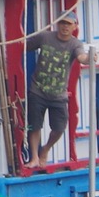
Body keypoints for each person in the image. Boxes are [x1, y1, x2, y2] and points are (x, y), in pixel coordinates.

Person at [24, 14, 81, 164]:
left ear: (74, 27)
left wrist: (89, 58)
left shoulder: (75, 44)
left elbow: (81, 57)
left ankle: (46, 149)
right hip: (38, 90)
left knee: (59, 128)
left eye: (68, 24)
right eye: (62, 23)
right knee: (34, 125)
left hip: (58, 95)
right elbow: (23, 45)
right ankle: (35, 157)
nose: (65, 27)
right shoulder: (45, 37)